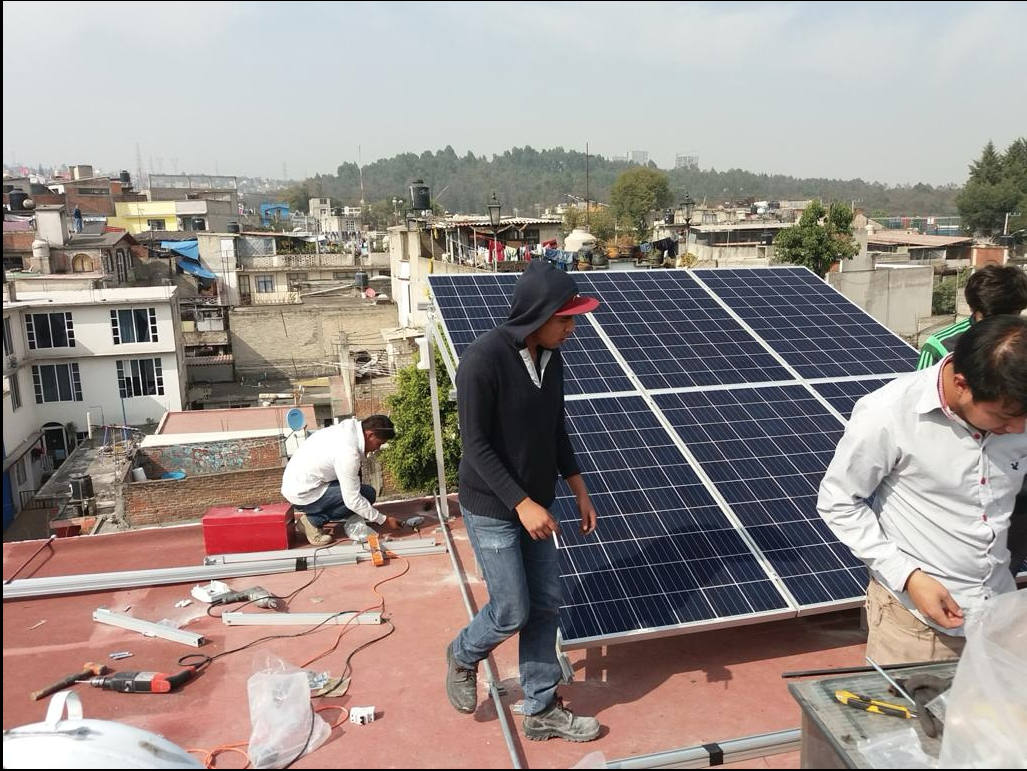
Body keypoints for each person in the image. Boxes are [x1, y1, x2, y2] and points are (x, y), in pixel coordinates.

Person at [446, 260, 601, 742]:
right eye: (565, 319)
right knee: (512, 609)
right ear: (538, 314)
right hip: (493, 507)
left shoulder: (552, 360)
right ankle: (463, 654)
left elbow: (556, 429)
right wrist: (521, 503)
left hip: (537, 504)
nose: (572, 329)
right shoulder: (483, 360)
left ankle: (541, 707)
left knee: (546, 604)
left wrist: (578, 487)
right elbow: (476, 445)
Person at [818, 315, 1027, 664]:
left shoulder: (1017, 412)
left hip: (998, 617)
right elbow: (838, 502)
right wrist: (908, 577)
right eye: (1003, 416)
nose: (1018, 428)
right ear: (961, 384)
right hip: (915, 627)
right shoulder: (889, 413)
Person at [281, 414, 401, 546]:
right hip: (302, 494)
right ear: (370, 435)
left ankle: (321, 515)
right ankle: (311, 522)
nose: (377, 448)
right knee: (364, 496)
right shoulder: (348, 453)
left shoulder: (348, 430)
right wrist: (383, 520)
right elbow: (352, 500)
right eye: (379, 443)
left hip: (302, 483)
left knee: (366, 494)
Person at [916, 264, 1027, 370]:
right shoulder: (939, 347)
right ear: (972, 308)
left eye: (1007, 319)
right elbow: (922, 383)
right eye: (988, 319)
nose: (997, 328)